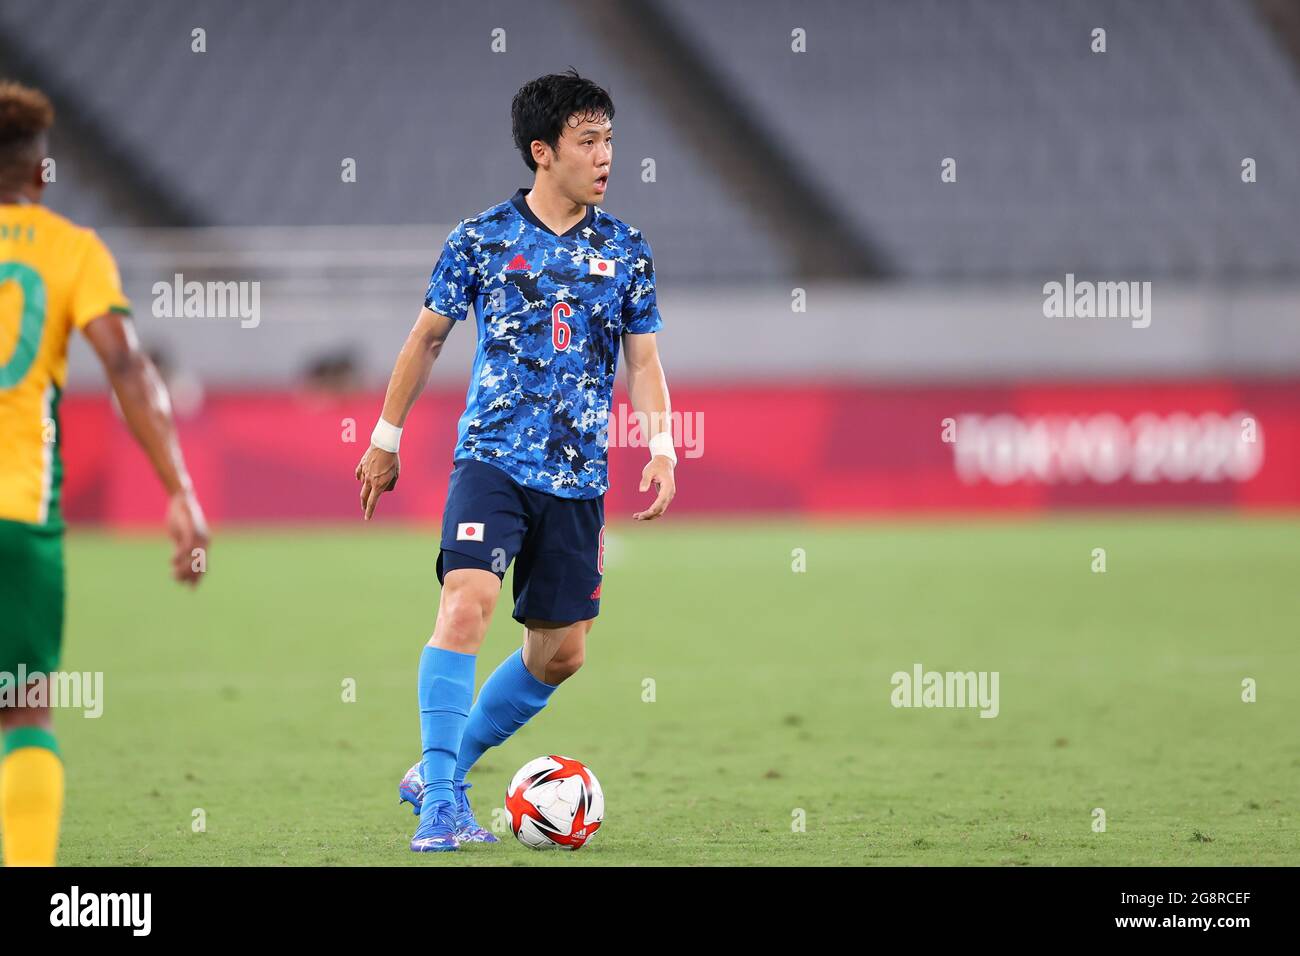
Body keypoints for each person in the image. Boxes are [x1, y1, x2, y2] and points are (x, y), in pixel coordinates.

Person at [355, 70, 676, 852]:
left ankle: (437, 770)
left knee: (560, 652)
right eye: (588, 142)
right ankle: (441, 805)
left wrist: (662, 445)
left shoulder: (626, 249)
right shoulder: (481, 238)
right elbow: (427, 337)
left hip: (577, 478)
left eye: (610, 141)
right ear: (543, 150)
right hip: (493, 459)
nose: (606, 158)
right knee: (466, 601)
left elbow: (642, 362)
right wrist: (385, 439)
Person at [0, 80, 209, 866]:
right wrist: (181, 494)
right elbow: (127, 365)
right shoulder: (71, 250)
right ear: (41, 175)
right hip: (15, 517)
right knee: (22, 710)